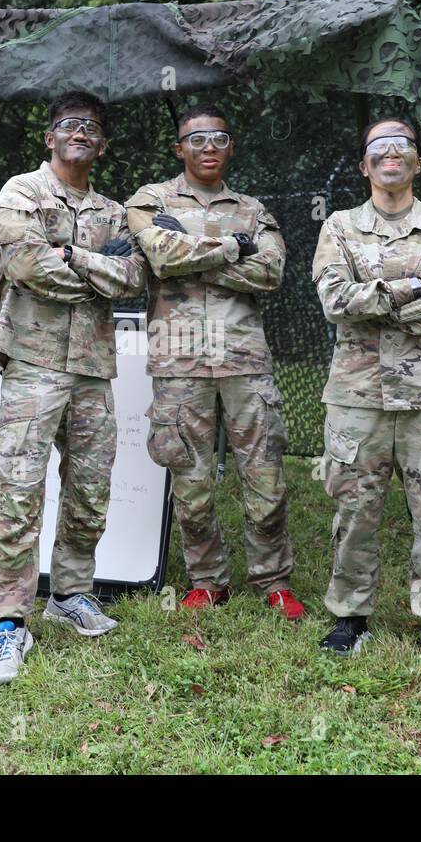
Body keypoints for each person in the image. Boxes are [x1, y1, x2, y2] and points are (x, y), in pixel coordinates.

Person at [0, 90, 147, 684]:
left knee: (89, 490)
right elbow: (23, 265)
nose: (80, 133)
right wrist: (94, 266)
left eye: (91, 128)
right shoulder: (21, 192)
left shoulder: (113, 210)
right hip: (32, 362)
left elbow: (132, 277)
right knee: (19, 491)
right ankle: (8, 621)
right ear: (49, 137)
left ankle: (70, 592)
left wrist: (70, 257)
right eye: (68, 125)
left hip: (93, 368)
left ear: (101, 144)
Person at [126, 103, 303, 619]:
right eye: (196, 139)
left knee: (265, 477)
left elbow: (270, 274)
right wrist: (233, 247)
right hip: (179, 361)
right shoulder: (150, 200)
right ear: (178, 148)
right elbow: (160, 257)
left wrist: (192, 254)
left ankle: (274, 580)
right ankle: (207, 579)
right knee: (191, 480)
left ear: (231, 146)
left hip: (244, 360)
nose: (208, 147)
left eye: (218, 139)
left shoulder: (254, 209)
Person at [312, 117, 421, 660]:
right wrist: (415, 285)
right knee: (354, 511)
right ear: (364, 165)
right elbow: (335, 302)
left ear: (417, 161)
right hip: (357, 396)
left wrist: (376, 299)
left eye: (402, 145)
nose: (391, 153)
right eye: (378, 146)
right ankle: (349, 617)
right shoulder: (337, 226)